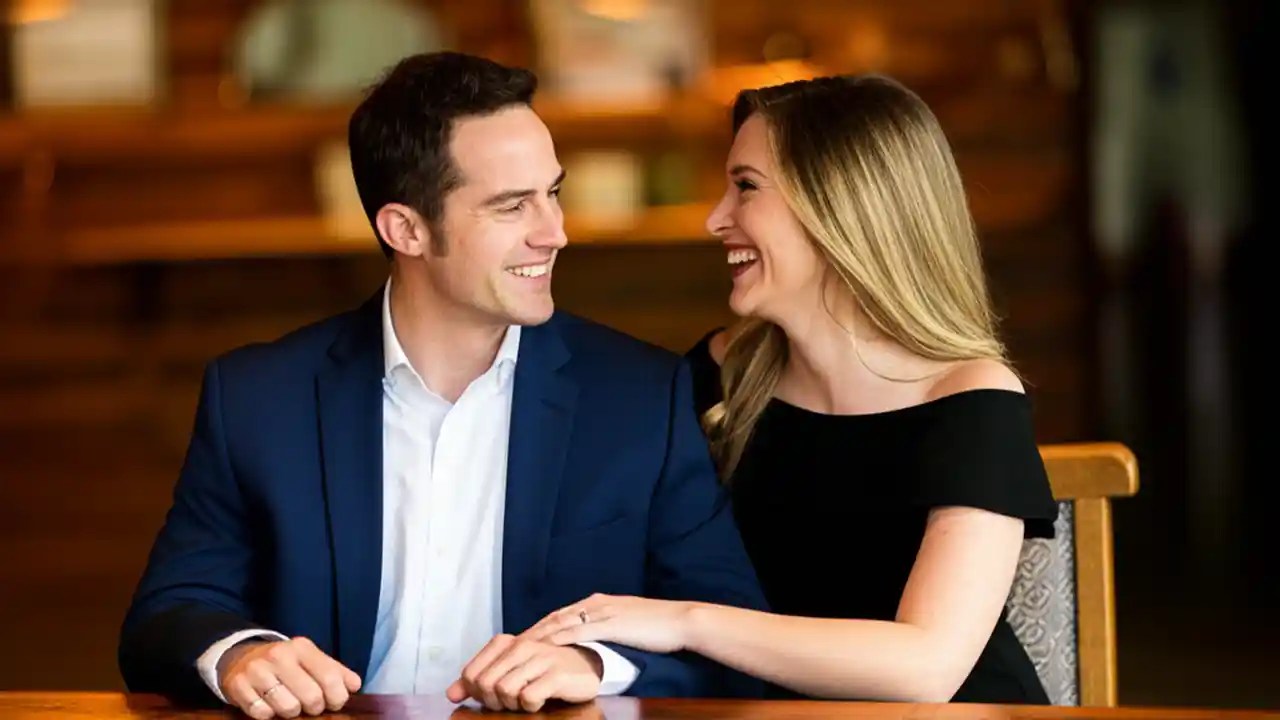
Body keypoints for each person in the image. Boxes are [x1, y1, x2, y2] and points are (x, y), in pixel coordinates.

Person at [118, 52, 766, 718]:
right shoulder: (258, 397)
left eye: (554, 193)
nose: (556, 233)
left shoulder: (640, 395)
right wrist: (242, 655)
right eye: (512, 206)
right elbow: (168, 614)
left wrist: (592, 665)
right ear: (405, 229)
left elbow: (732, 632)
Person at [521, 74, 1060, 704]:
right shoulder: (714, 378)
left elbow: (927, 667)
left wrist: (686, 622)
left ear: (840, 203)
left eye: (745, 187)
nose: (716, 218)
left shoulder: (970, 396)